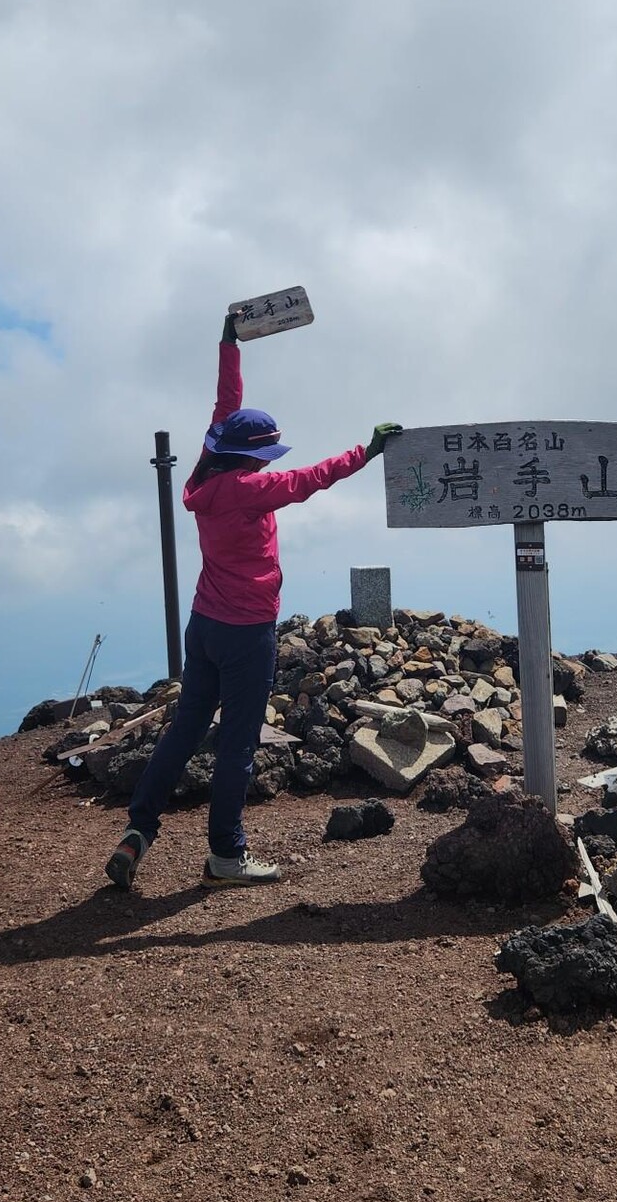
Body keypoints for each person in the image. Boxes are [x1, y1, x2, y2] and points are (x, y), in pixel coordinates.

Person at [105, 310, 400, 891]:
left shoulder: (206, 473)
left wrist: (228, 345)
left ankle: (139, 828)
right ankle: (225, 855)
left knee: (186, 728)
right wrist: (365, 452)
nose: (273, 461)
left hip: (204, 624)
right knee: (238, 741)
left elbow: (226, 403)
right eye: (268, 452)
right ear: (256, 456)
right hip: (247, 633)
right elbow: (309, 478)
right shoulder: (252, 489)